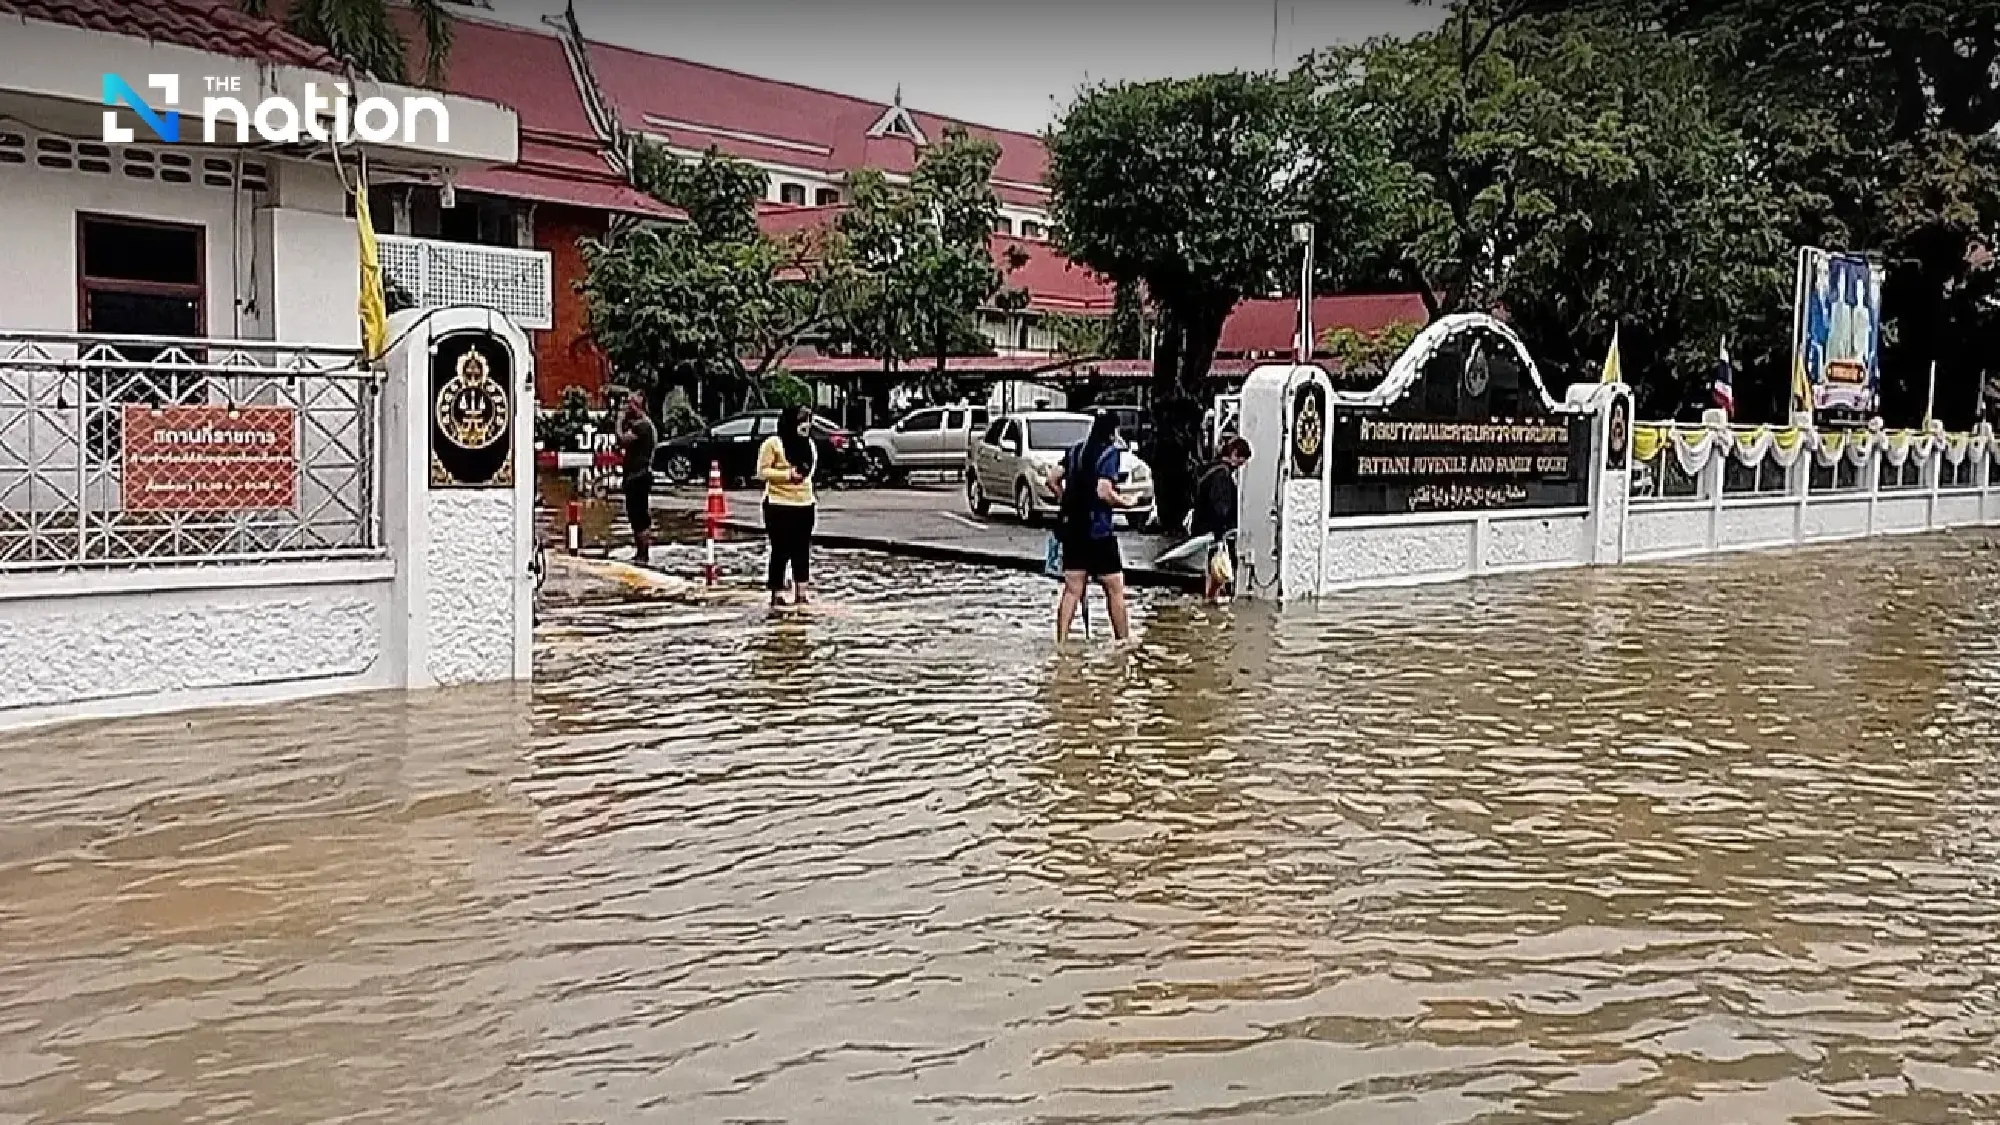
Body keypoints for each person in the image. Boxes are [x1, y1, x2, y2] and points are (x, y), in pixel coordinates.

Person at [1047, 411, 1138, 642]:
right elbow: (1103, 491)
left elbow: (1052, 478)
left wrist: (1064, 499)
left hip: (1072, 530)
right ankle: (1123, 641)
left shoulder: (1076, 450)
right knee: (1115, 587)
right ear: (1113, 431)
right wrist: (1126, 502)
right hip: (1098, 532)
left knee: (1072, 589)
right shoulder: (1110, 453)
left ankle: (1061, 641)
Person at [757, 404, 818, 608]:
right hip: (778, 505)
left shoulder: (809, 445)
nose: (805, 425)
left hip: (805, 504)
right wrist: (786, 475)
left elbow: (811, 470)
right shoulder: (773, 444)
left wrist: (802, 474)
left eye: (808, 420)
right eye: (801, 420)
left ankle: (801, 593)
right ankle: (777, 593)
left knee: (802, 550)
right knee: (780, 550)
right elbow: (762, 472)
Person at [1190, 436, 1252, 602]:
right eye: (1242, 460)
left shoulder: (1211, 470)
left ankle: (1210, 603)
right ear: (1234, 454)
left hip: (1204, 533)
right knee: (1217, 574)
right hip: (1214, 535)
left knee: (1212, 573)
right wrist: (1225, 531)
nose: (1241, 465)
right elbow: (1220, 508)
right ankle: (1211, 603)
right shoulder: (1222, 475)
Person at [616, 392, 658, 565]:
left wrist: (618, 422)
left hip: (638, 476)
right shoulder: (643, 425)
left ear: (637, 405)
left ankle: (643, 554)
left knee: (639, 516)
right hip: (636, 475)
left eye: (629, 404)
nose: (627, 407)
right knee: (635, 515)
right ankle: (640, 552)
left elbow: (622, 439)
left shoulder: (643, 426)